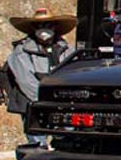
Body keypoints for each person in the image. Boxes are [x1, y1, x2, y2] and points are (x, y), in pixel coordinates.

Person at [5, 8, 77, 145]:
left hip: (63, 104)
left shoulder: (67, 49)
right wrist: (44, 101)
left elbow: (73, 74)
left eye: (48, 25)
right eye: (39, 26)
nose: (44, 29)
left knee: (67, 140)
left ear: (55, 27)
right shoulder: (22, 51)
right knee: (37, 143)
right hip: (33, 103)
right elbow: (25, 81)